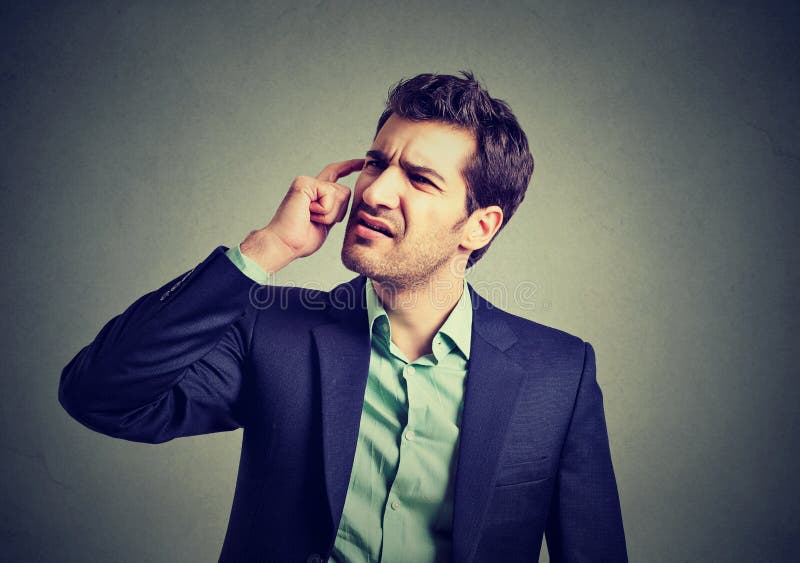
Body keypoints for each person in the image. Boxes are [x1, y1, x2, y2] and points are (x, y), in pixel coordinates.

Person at [59, 71, 627, 562]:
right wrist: (266, 249)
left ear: (480, 226)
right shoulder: (271, 332)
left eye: (420, 179)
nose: (374, 192)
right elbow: (99, 395)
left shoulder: (560, 372)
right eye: (376, 164)